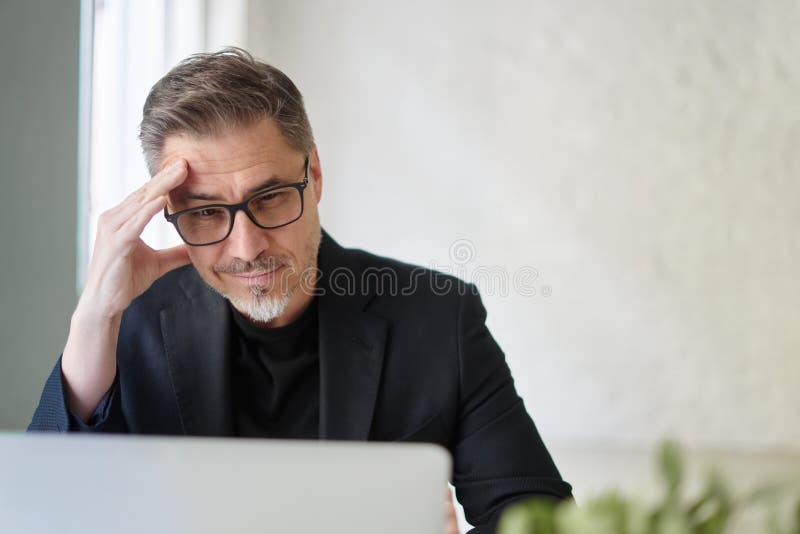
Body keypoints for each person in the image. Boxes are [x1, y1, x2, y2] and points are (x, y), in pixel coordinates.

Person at [29, 47, 571, 533]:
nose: (245, 247)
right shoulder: (129, 321)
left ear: (313, 173)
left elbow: (539, 517)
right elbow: (37, 512)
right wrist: (91, 320)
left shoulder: (437, 317)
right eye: (206, 212)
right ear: (169, 213)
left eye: (268, 199)